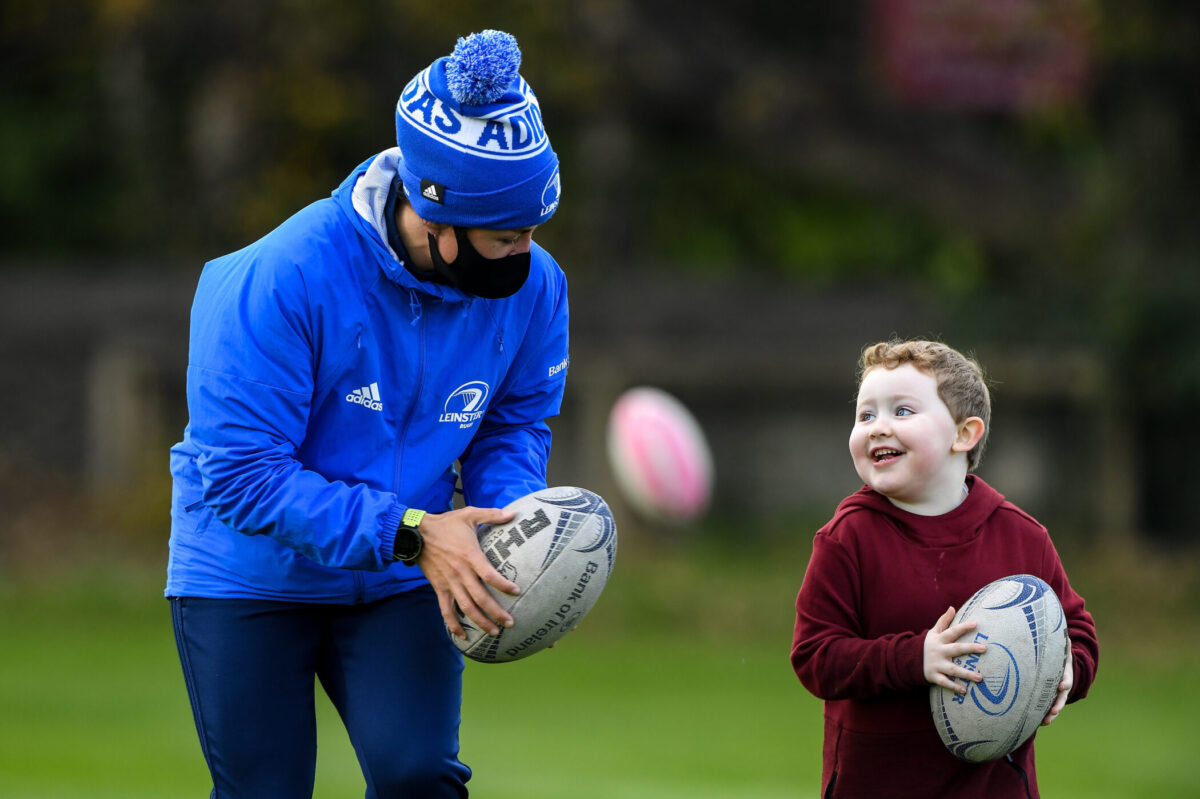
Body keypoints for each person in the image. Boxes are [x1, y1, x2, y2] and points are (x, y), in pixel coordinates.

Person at [166, 30, 568, 798]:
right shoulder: (280, 278)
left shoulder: (536, 286)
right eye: (505, 236)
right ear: (435, 213)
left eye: (532, 234)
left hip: (400, 576)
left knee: (419, 777)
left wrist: (508, 523)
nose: (525, 258)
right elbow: (244, 479)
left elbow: (513, 422)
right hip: (249, 575)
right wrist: (414, 532)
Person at [791, 339, 1099, 799]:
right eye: (865, 415)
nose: (878, 428)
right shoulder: (846, 539)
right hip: (877, 784)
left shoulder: (1023, 538)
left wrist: (1067, 669)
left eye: (902, 411)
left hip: (996, 788)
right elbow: (815, 655)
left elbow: (1077, 630)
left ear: (963, 434)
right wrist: (915, 659)